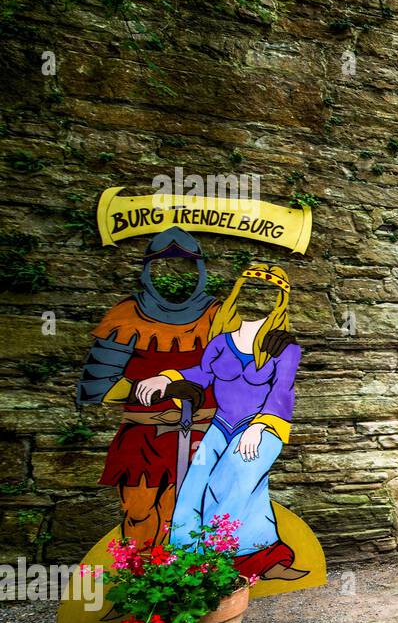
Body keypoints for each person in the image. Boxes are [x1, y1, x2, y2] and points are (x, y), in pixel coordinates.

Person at [133, 263, 307, 581]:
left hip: (263, 428)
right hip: (221, 425)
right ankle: (185, 566)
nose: (257, 299)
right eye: (250, 291)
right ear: (238, 295)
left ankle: (217, 567)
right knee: (192, 491)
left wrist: (258, 427)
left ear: (278, 301)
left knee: (227, 485)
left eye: (267, 293)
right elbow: (202, 374)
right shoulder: (221, 342)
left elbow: (282, 391)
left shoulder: (284, 347)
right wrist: (166, 378)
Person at [76, 228, 220, 549]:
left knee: (182, 514)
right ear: (148, 270)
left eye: (187, 266)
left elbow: (229, 373)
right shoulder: (126, 317)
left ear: (200, 271)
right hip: (143, 437)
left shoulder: (218, 317)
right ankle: (141, 584)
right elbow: (100, 386)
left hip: (200, 433)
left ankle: (181, 584)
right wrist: (162, 389)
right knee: (138, 511)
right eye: (164, 266)